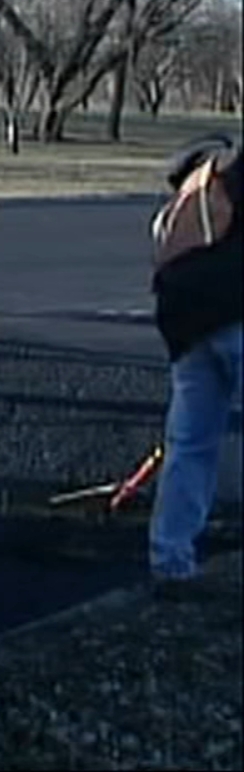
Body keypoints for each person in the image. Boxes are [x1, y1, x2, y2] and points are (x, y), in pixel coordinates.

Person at [146, 134, 242, 601]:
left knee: (189, 445)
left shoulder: (180, 210)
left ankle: (170, 558)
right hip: (236, 316)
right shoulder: (235, 179)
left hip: (187, 328)